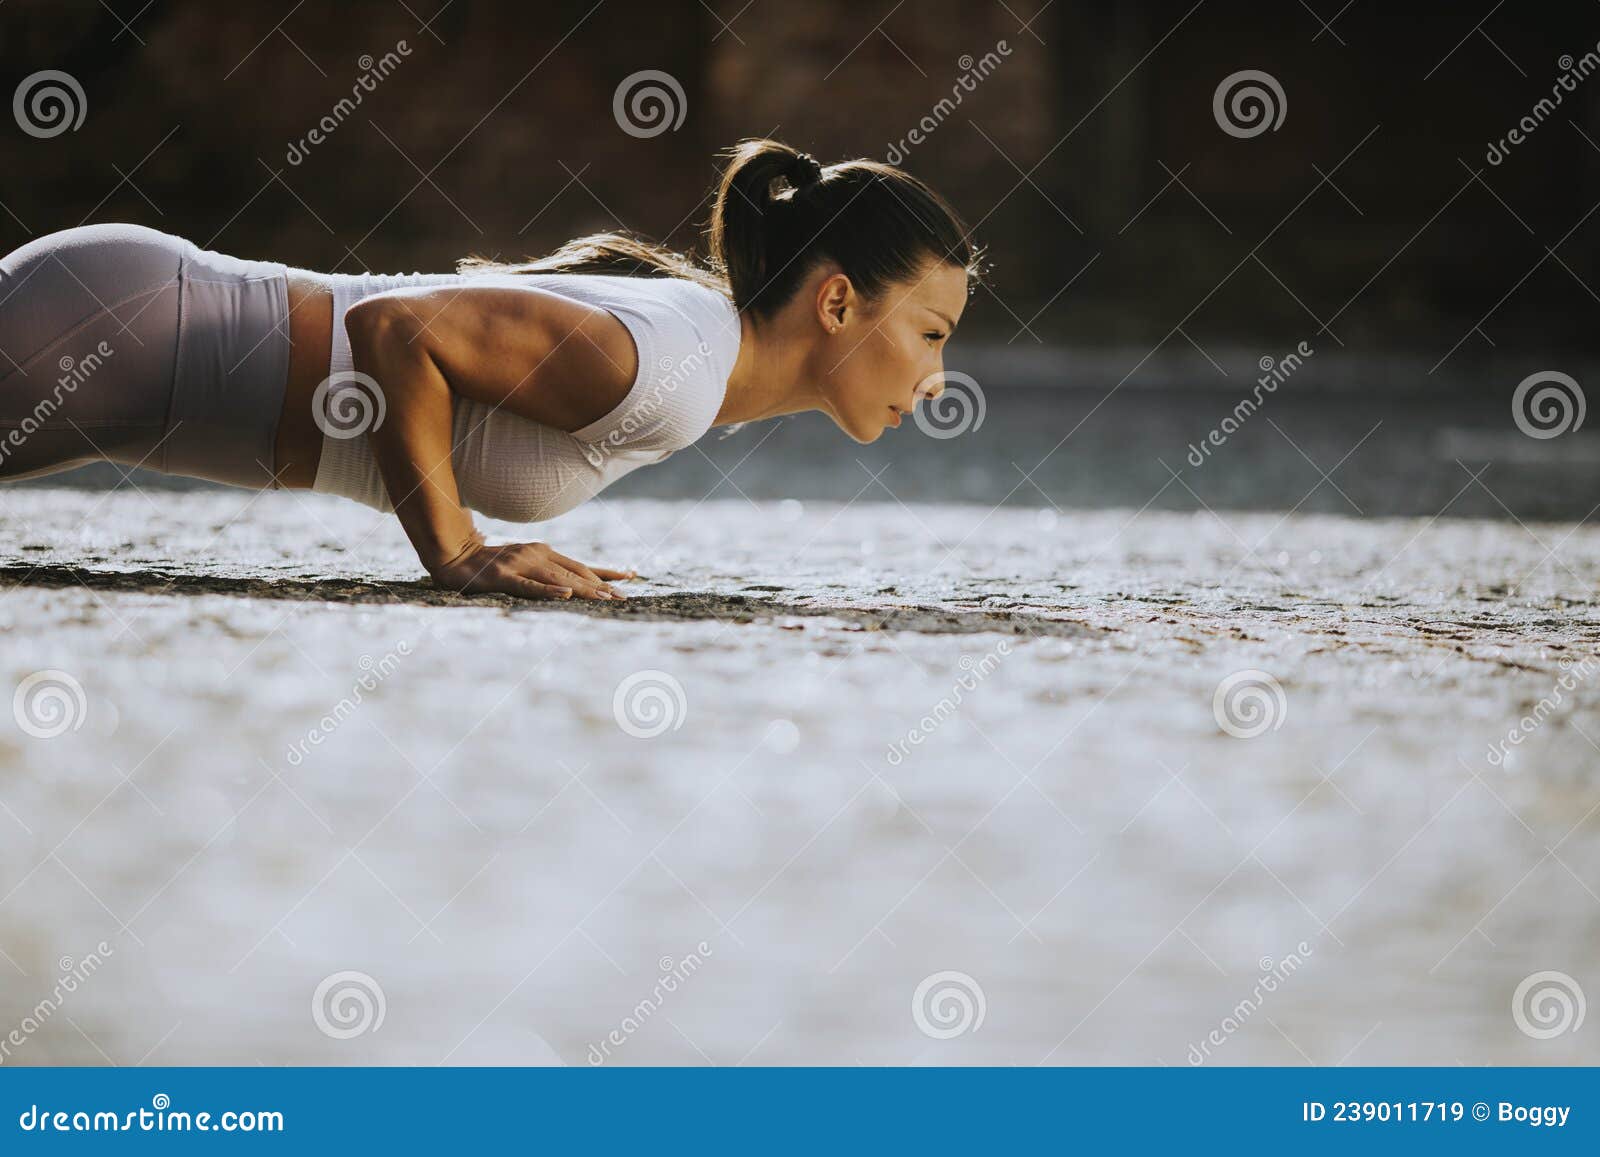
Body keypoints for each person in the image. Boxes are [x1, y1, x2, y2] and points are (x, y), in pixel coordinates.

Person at [0, 138, 984, 601]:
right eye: (933, 332)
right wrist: (458, 549)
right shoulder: (676, 369)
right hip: (118, 335)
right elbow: (397, 330)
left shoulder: (689, 357)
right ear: (840, 302)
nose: (937, 377)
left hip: (134, 369)